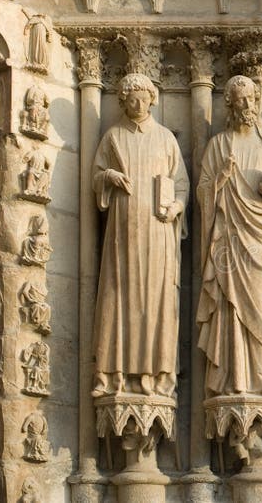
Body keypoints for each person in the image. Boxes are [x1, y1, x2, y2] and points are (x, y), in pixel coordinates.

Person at [91, 73, 189, 398]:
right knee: (118, 297)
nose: (136, 103)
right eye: (129, 98)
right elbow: (96, 177)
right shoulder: (113, 137)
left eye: (141, 97)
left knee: (157, 300)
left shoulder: (165, 139)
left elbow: (183, 184)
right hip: (122, 233)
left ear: (152, 99)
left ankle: (157, 376)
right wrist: (109, 176)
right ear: (122, 101)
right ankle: (112, 375)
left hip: (158, 234)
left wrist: (176, 206)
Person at [197, 75, 262, 397]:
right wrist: (220, 179)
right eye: (241, 99)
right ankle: (233, 377)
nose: (248, 105)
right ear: (230, 104)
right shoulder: (218, 145)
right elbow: (203, 191)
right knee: (229, 307)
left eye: (252, 98)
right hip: (228, 238)